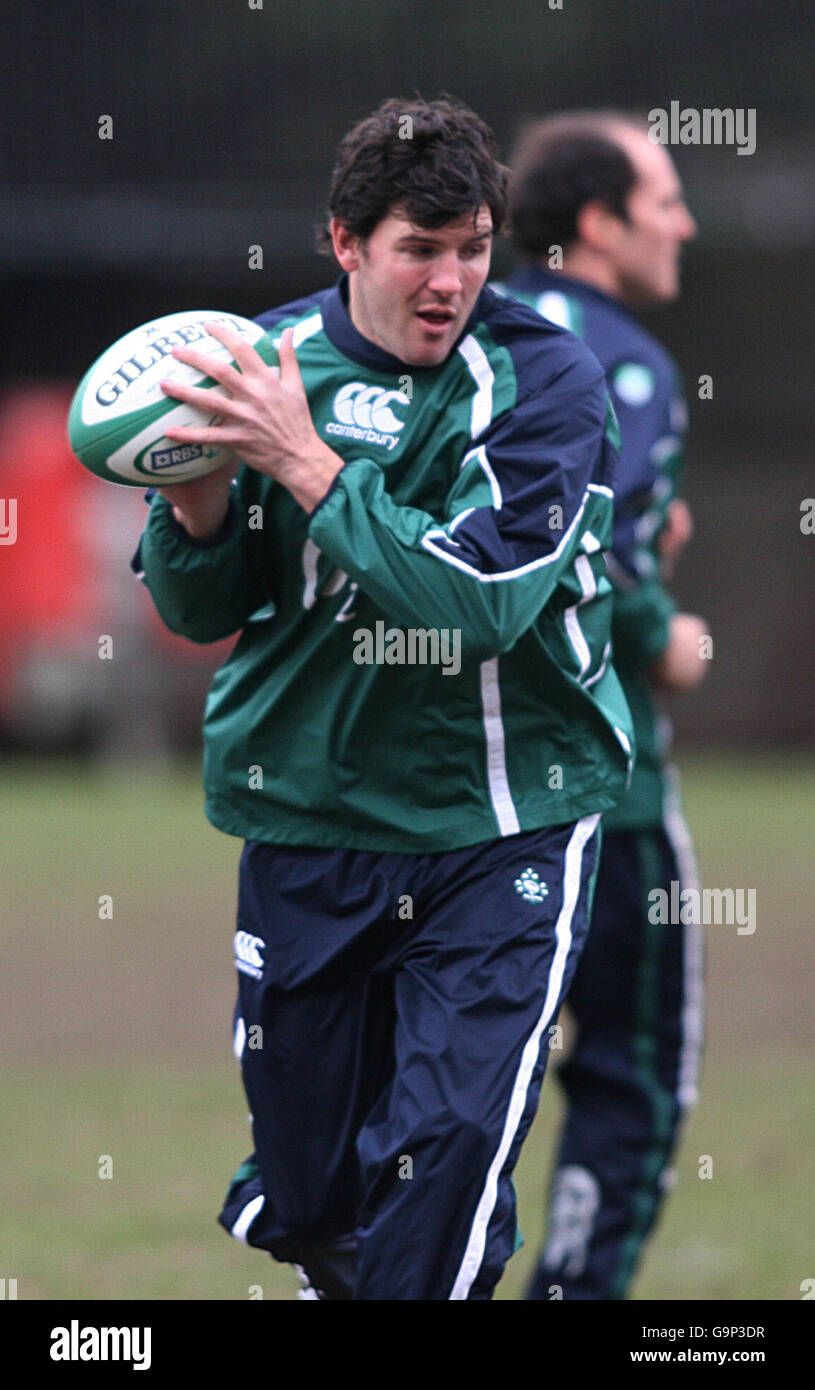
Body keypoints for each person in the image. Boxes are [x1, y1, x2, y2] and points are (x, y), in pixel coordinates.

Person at [131, 96, 633, 1301]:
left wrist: (302, 462)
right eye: (420, 246)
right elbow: (203, 610)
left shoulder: (545, 379)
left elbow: (481, 604)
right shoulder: (259, 363)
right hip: (308, 819)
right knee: (315, 1194)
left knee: (450, 1148)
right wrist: (196, 504)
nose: (450, 277)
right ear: (346, 243)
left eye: (471, 247)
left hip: (497, 825)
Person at [499, 111, 709, 1300]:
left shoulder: (479, 331)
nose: (683, 220)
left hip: (448, 791)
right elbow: (589, 554)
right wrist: (660, 634)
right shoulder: (618, 357)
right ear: (595, 222)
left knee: (452, 1082)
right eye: (663, 197)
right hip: (603, 784)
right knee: (628, 1079)